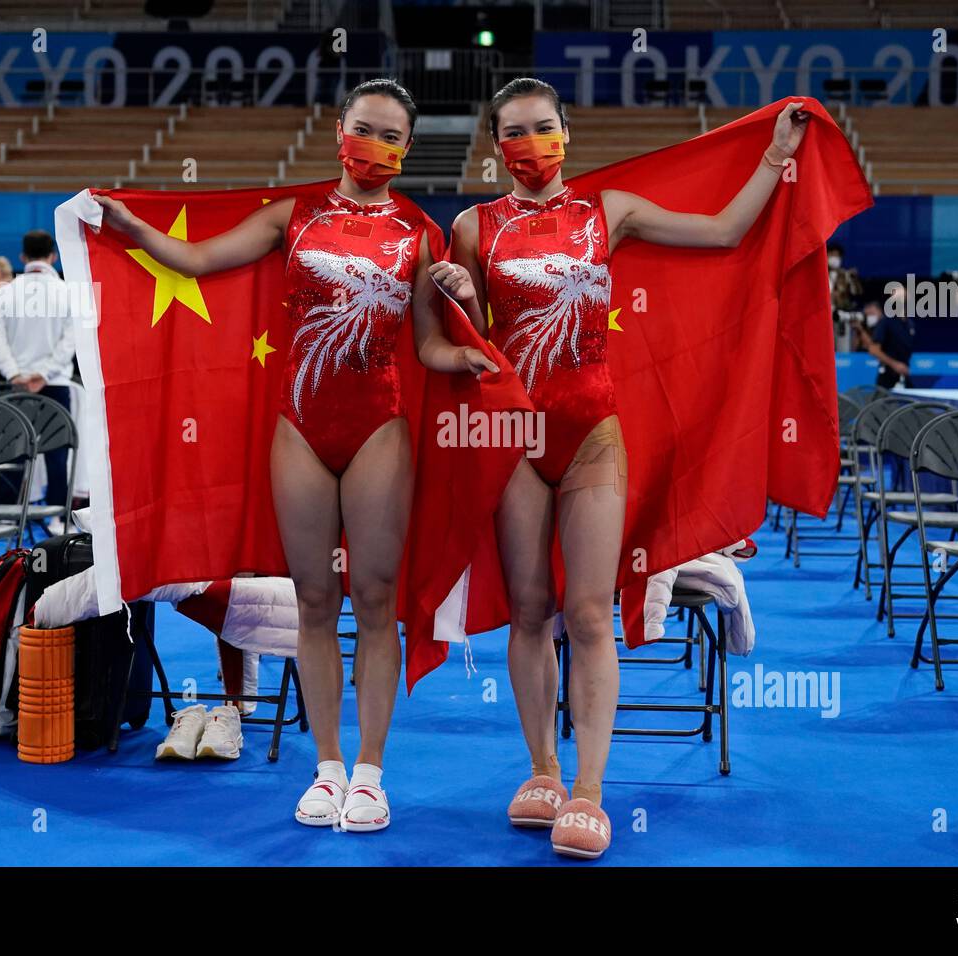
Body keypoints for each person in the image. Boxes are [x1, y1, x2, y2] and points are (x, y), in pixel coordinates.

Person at [92, 78, 497, 833]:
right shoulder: (293, 213)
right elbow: (197, 260)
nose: (374, 146)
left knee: (374, 599)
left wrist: (466, 338)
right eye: (364, 129)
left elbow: (429, 345)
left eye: (391, 137)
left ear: (407, 149)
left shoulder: (419, 232)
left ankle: (370, 776)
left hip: (379, 426)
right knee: (315, 601)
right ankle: (327, 769)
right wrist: (132, 227)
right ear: (339, 131)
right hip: (300, 428)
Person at [435, 77, 810, 859]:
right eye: (513, 132)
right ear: (494, 145)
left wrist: (775, 158)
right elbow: (459, 338)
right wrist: (461, 293)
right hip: (514, 437)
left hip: (592, 437)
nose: (529, 144)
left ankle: (590, 790)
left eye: (542, 127)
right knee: (530, 611)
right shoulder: (473, 226)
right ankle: (542, 771)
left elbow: (723, 232)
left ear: (566, 133)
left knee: (587, 614)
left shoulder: (608, 211)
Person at [0, 230, 77, 528]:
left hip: (17, 385)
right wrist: (44, 374)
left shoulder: (6, 292)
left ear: (22, 257)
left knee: (13, 451)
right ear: (53, 256)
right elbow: (71, 340)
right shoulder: (68, 291)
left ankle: (9, 514)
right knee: (57, 453)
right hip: (54, 385)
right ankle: (57, 516)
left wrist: (15, 374)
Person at [855, 296, 914, 389]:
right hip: (887, 375)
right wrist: (895, 365)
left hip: (904, 374)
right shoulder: (886, 322)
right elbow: (873, 349)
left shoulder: (909, 324)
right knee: (882, 397)